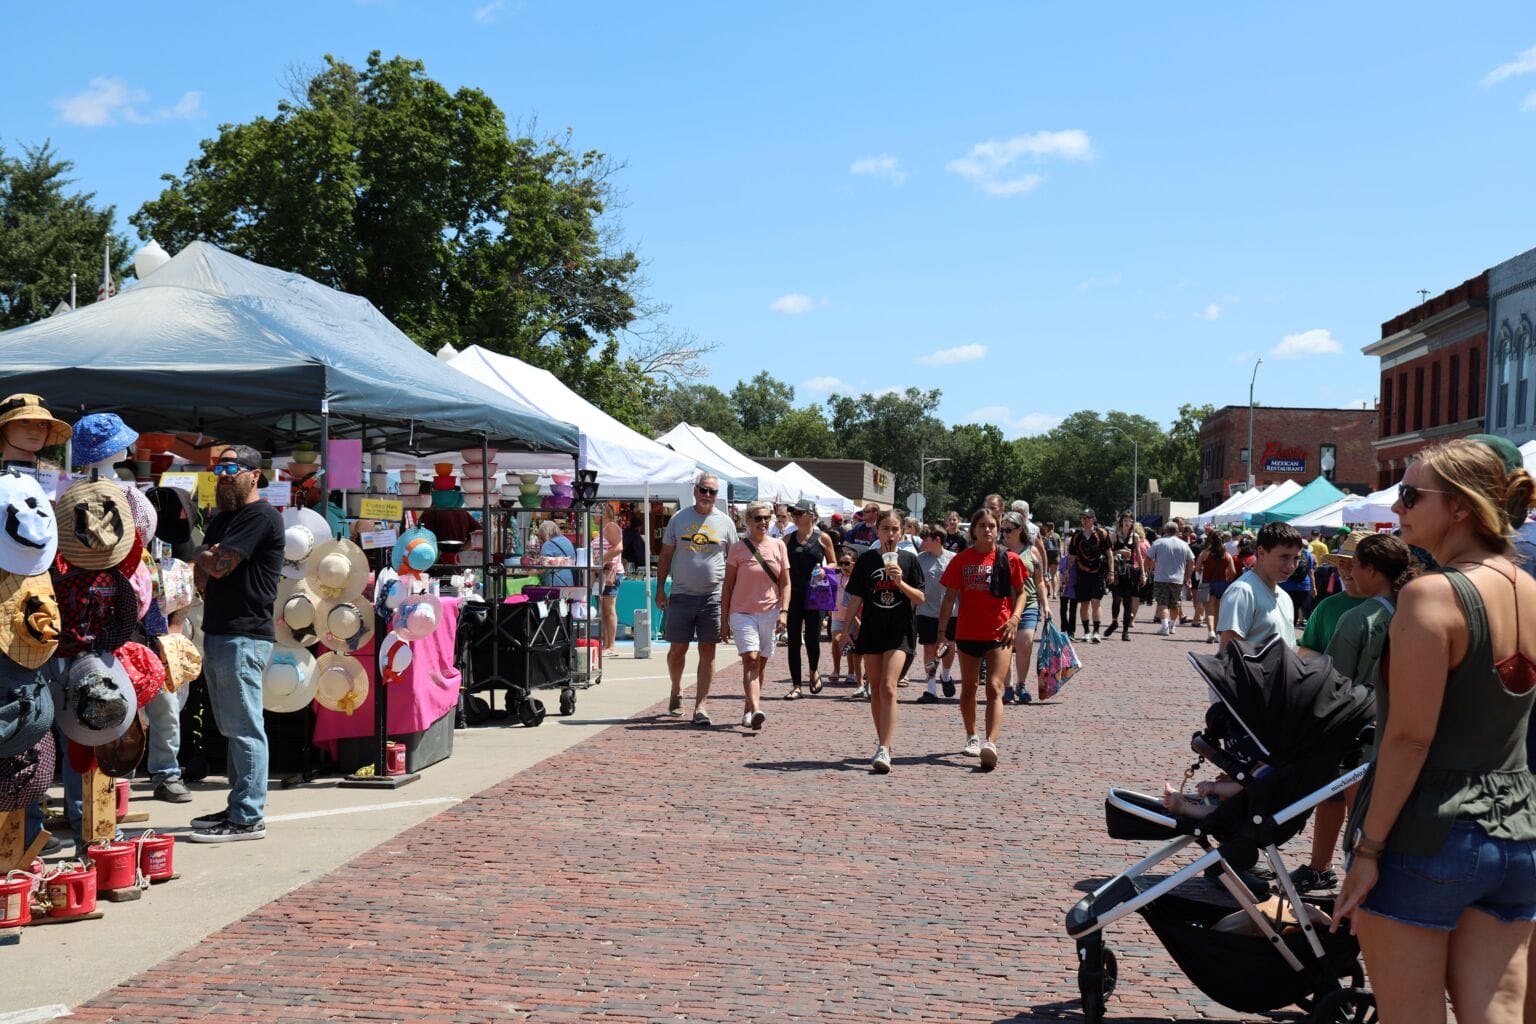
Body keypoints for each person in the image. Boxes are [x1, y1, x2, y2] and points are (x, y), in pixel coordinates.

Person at [1334, 439, 1536, 1022]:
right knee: (1499, 1010)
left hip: (1429, 829)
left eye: (1410, 494)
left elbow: (1409, 737)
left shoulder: (1431, 596)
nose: (1398, 509)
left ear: (1460, 507)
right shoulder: (1528, 589)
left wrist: (1369, 847)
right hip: (1517, 829)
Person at [1292, 534, 1415, 895]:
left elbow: (1335, 682)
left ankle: (1356, 889)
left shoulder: (1357, 617)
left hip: (1361, 736)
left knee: (1361, 824)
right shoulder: (1419, 609)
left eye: (1354, 565)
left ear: (1371, 570)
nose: (1348, 572)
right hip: (1409, 729)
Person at [188, 445, 284, 843]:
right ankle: (239, 803)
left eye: (232, 467)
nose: (223, 474)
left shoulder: (260, 515)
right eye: (218, 468)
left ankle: (248, 816)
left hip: (245, 634)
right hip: (222, 630)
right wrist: (206, 558)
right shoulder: (223, 518)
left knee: (245, 729)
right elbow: (204, 576)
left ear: (254, 475)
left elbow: (218, 565)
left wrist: (202, 555)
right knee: (233, 727)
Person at [937, 508, 1030, 771]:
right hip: (968, 631)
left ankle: (991, 742)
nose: (987, 530)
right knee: (969, 687)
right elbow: (949, 598)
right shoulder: (961, 560)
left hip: (1000, 631)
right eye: (982, 526)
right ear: (973, 530)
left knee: (994, 687)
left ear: (998, 529)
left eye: (991, 525)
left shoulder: (1009, 559)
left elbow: (1022, 593)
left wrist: (1015, 618)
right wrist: (942, 632)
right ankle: (972, 735)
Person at [842, 509, 925, 773]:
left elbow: (920, 599)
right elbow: (855, 597)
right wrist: (846, 630)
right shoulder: (866, 561)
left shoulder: (910, 561)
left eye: (895, 529)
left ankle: (885, 748)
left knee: (889, 687)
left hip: (900, 630)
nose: (890, 534)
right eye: (885, 529)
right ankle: (882, 742)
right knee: (875, 687)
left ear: (902, 533)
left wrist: (900, 582)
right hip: (873, 628)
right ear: (877, 531)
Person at [655, 474, 738, 725]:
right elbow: (666, 555)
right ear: (695, 490)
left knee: (708, 650)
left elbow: (734, 562)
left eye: (712, 492)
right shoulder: (679, 519)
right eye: (704, 490)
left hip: (713, 596)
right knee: (677, 649)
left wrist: (732, 598)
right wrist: (660, 588)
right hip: (681, 594)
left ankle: (701, 705)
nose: (708, 495)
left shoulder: (725, 523)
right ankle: (676, 688)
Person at [720, 502, 790, 730]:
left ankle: (748, 708)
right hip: (742, 612)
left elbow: (786, 583)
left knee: (760, 665)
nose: (763, 522)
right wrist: (724, 620)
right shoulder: (738, 549)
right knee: (750, 659)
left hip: (769, 612)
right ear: (748, 521)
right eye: (758, 518)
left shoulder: (779, 546)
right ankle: (757, 708)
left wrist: (784, 612)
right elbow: (728, 586)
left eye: (766, 518)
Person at [1215, 521, 1303, 652]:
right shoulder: (1242, 592)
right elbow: (1228, 656)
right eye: (1284, 557)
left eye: (1296, 558)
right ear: (1261, 552)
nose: (1291, 565)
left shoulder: (1285, 597)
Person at [781, 499, 836, 699]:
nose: (794, 515)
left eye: (799, 512)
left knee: (813, 638)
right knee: (794, 639)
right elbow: (781, 565)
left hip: (815, 594)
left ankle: (813, 671)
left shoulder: (823, 538)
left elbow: (833, 561)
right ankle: (796, 685)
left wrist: (824, 569)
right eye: (793, 512)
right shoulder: (788, 539)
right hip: (793, 594)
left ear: (811, 515)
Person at [1297, 531, 1373, 657]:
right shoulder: (1327, 606)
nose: (1344, 569)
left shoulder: (1387, 605)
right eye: (1341, 562)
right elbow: (1306, 651)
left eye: (1353, 563)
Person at [1000, 510, 1042, 704]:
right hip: (1005, 605)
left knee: (1025, 643)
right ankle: (1007, 687)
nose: (1005, 533)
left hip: (1029, 602)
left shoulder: (1031, 551)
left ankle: (1021, 685)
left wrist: (1047, 606)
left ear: (1020, 529)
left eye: (1009, 530)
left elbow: (1039, 581)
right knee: (1006, 646)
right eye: (1003, 530)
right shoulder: (999, 551)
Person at [914, 525, 956, 704]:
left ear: (937, 540)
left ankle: (945, 675)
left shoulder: (953, 559)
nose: (922, 542)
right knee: (929, 648)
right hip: (925, 611)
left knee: (948, 646)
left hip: (951, 612)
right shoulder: (919, 559)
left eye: (926, 539)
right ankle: (931, 688)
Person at [1068, 509, 1111, 642]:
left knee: (1096, 602)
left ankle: (1096, 631)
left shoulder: (1102, 533)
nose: (1085, 520)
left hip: (1098, 573)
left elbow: (1110, 554)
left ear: (1093, 519)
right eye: (1083, 518)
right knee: (1085, 603)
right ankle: (1086, 631)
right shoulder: (1077, 536)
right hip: (1082, 573)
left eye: (1087, 518)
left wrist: (1112, 572)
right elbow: (1072, 557)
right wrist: (1068, 573)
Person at [1148, 522, 1195, 638]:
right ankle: (1172, 626)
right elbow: (1191, 561)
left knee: (1163, 602)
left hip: (1161, 577)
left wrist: (1147, 571)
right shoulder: (1184, 544)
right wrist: (1188, 577)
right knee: (1175, 604)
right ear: (1177, 531)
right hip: (1178, 579)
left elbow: (1148, 557)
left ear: (1165, 530)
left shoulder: (1158, 542)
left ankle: (1164, 626)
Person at [1195, 531, 1238, 644]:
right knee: (1218, 611)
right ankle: (1218, 634)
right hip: (1222, 584)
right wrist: (1228, 579)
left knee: (1209, 611)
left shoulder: (1205, 553)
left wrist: (1200, 573)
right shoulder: (1227, 555)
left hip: (1207, 583)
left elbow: (1197, 567)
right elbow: (1233, 571)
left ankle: (1211, 633)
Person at [829, 551, 861, 689]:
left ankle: (851, 672)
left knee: (852, 645)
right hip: (838, 616)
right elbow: (828, 593)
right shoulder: (835, 577)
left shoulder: (859, 579)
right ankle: (836, 670)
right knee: (837, 641)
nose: (843, 566)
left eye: (847, 563)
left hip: (855, 617)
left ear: (854, 563)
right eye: (841, 563)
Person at [1108, 511, 1143, 641]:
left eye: (1130, 521)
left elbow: (1138, 556)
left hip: (1129, 572)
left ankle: (1125, 631)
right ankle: (1114, 621)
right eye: (1125, 520)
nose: (1128, 523)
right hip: (1117, 570)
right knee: (1116, 599)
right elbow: (1108, 552)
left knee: (1128, 602)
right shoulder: (1114, 535)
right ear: (1121, 522)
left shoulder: (1135, 537)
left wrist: (1143, 573)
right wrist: (1119, 551)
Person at [596, 515, 625, 654]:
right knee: (605, 609)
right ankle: (606, 644)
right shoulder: (604, 528)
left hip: (610, 573)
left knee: (609, 609)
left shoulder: (610, 527)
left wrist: (601, 559)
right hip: (603, 573)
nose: (593, 515)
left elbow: (619, 547)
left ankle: (611, 645)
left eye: (595, 512)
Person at [1279, 530, 1317, 629]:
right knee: (1305, 609)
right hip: (1303, 587)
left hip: (1286, 586)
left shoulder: (1286, 552)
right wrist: (1313, 587)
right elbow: (1310, 571)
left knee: (1291, 610)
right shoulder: (1308, 554)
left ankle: (1289, 632)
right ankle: (1313, 630)